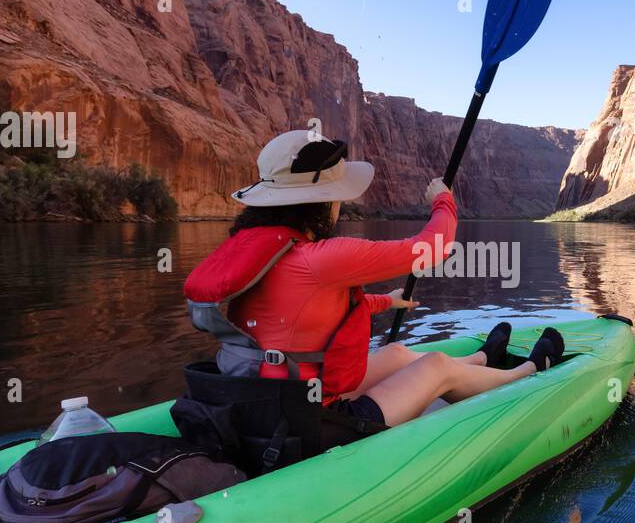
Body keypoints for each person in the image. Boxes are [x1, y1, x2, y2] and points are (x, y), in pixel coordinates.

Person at [184, 130, 564, 431]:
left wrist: (386, 301)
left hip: (273, 400)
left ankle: (482, 358)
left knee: (397, 353)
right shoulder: (320, 257)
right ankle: (527, 371)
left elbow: (303, 318)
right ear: (322, 201)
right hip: (309, 419)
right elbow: (430, 248)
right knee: (434, 367)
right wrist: (444, 200)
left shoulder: (262, 251)